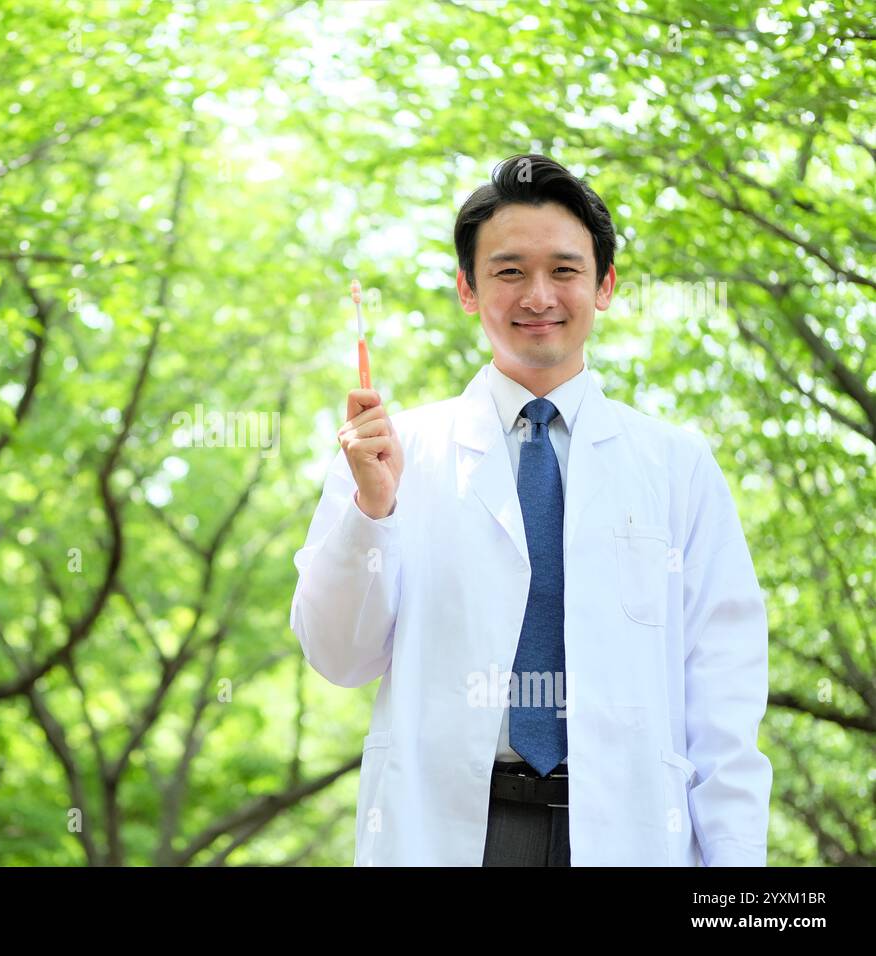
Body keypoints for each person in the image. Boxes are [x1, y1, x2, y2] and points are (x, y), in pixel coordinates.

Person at [289, 154, 772, 866]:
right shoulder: (394, 454)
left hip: (628, 830)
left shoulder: (677, 464)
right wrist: (373, 510)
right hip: (455, 828)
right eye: (510, 271)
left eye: (566, 271)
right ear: (467, 288)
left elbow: (723, 692)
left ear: (604, 286)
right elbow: (338, 656)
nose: (538, 295)